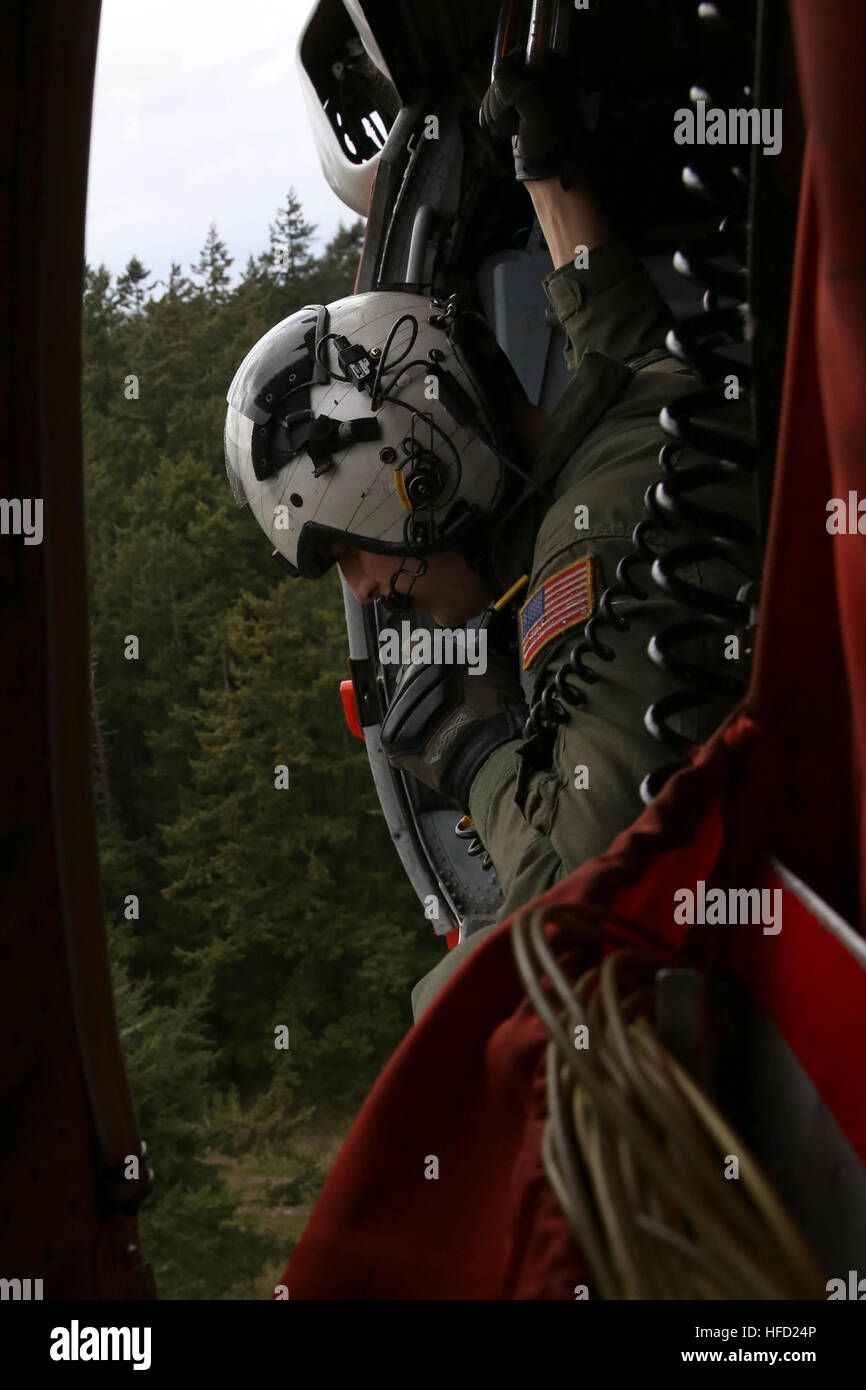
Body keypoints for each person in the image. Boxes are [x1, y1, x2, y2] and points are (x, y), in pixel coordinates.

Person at [224, 56, 759, 1021]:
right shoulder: (628, 398)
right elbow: (607, 311)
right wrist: (541, 151)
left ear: (414, 481)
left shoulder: (581, 567)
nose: (369, 587)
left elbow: (573, 894)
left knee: (455, 1012)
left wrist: (476, 757)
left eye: (350, 549)